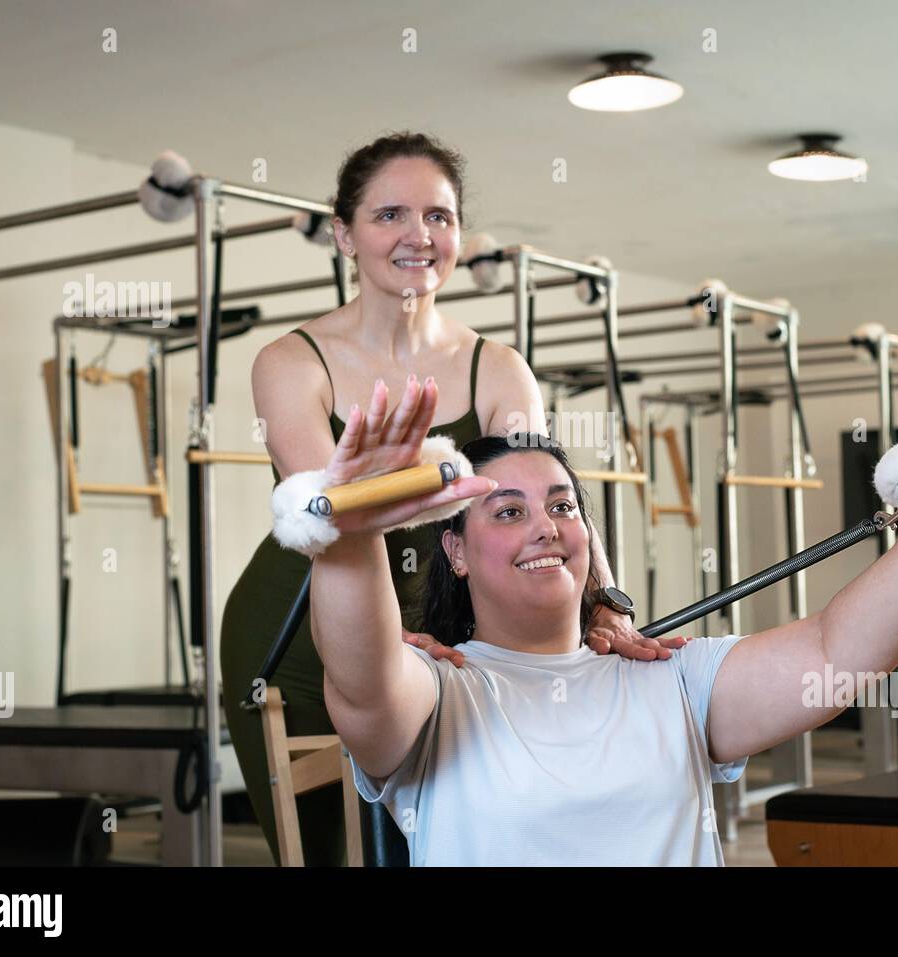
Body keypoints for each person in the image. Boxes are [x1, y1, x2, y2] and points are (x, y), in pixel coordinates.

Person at [309, 371, 898, 865]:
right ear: (457, 550)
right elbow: (363, 677)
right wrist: (352, 524)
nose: (547, 526)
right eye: (508, 511)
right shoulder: (440, 692)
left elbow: (837, 653)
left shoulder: (670, 675)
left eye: (564, 506)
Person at [219, 132, 670, 866]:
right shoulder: (289, 363)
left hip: (445, 635)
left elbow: (548, 499)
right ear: (343, 233)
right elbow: (331, 521)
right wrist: (382, 641)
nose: (418, 236)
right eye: (389, 214)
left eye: (439, 215)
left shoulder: (498, 368)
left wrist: (606, 602)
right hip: (300, 635)